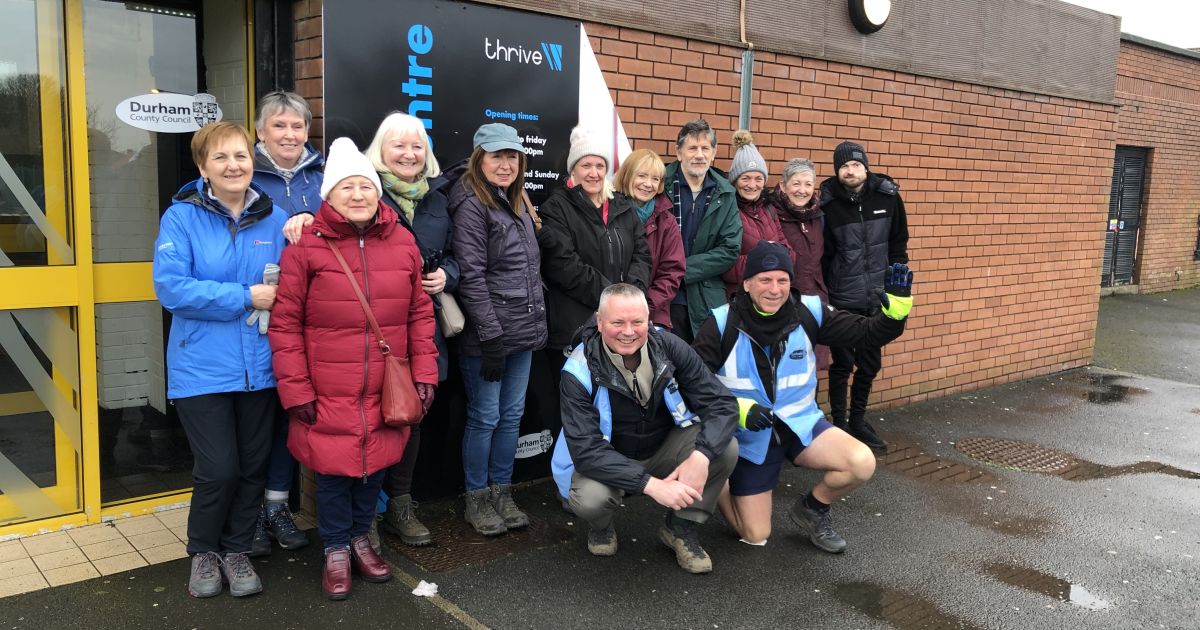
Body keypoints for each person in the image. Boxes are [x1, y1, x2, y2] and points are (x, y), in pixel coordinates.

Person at [269, 137, 438, 600]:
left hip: (386, 385)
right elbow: (285, 324)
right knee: (333, 472)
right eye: (347, 187)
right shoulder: (306, 246)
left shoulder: (402, 241)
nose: (358, 195)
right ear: (330, 195)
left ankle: (361, 538)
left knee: (374, 467)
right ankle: (336, 549)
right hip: (327, 385)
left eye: (365, 186)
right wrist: (296, 390)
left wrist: (424, 374)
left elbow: (419, 314)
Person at [692, 241, 912, 553]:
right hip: (750, 437)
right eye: (765, 280)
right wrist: (737, 408)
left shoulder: (809, 312)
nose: (775, 289)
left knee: (861, 462)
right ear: (747, 283)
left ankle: (813, 508)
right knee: (754, 535)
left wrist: (895, 314)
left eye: (782, 280)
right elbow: (694, 382)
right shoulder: (721, 322)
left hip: (800, 426)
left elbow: (866, 333)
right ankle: (720, 482)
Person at [153, 121, 288, 598]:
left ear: (253, 161)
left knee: (252, 468)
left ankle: (237, 550)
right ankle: (204, 552)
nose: (233, 165)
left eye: (241, 156)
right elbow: (172, 288)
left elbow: (298, 280)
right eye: (221, 157)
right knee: (219, 469)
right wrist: (245, 296)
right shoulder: (181, 218)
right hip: (201, 368)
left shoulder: (276, 219)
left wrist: (306, 227)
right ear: (202, 167)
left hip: (260, 366)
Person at [551, 283, 740, 574]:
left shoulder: (670, 346)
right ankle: (601, 526)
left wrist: (701, 456)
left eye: (637, 322)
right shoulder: (577, 368)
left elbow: (722, 405)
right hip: (607, 457)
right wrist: (653, 486)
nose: (628, 332)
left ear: (648, 320)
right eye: (617, 323)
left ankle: (680, 527)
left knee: (724, 448)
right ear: (600, 322)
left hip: (662, 447)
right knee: (591, 499)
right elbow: (587, 452)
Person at [363, 112, 459, 547]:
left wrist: (448, 275)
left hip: (422, 329)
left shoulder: (437, 197)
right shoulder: (365, 190)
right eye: (398, 145)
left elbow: (455, 253)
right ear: (381, 149)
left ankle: (400, 505)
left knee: (411, 417)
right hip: (373, 328)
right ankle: (365, 513)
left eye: (417, 146)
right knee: (368, 421)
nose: (408, 154)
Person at [449, 123, 547, 536]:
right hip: (489, 336)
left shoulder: (517, 199)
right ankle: (477, 497)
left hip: (522, 330)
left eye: (512, 157)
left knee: (511, 416)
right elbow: (471, 276)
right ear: (479, 158)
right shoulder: (471, 203)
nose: (505, 164)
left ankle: (501, 491)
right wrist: (490, 337)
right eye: (497, 156)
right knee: (486, 417)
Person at [248, 90, 319, 558]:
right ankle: (249, 512)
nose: (289, 134)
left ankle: (277, 507)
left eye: (297, 126)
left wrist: (315, 216)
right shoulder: (244, 174)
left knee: (286, 418)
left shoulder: (325, 175)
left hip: (313, 318)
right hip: (257, 317)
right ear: (260, 131)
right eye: (279, 125)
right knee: (256, 422)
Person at [820, 141, 910, 450]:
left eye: (855, 165)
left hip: (877, 298)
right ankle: (840, 425)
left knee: (870, 365)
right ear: (837, 170)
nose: (850, 171)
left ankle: (858, 420)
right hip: (842, 298)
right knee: (842, 364)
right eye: (844, 166)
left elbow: (898, 242)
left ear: (865, 167)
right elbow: (824, 255)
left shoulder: (888, 196)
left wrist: (895, 286)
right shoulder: (828, 204)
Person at [538, 125, 651, 354]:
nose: (594, 173)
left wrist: (629, 296)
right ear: (573, 169)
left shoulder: (622, 207)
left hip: (620, 325)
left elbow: (642, 255)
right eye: (586, 165)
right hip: (576, 326)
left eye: (600, 166)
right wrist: (613, 299)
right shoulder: (557, 207)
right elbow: (563, 265)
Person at [663, 120, 742, 342]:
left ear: (713, 153)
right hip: (665, 297)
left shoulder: (726, 194)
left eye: (705, 148)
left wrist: (680, 270)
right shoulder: (659, 185)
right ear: (679, 153)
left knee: (704, 361)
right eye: (692, 148)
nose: (699, 155)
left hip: (708, 298)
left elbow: (730, 249)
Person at [612, 148, 686, 331]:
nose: (648, 184)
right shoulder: (609, 211)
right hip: (610, 311)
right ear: (627, 175)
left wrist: (643, 307)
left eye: (655, 179)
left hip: (652, 315)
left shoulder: (667, 221)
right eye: (642, 176)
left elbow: (671, 272)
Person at [768, 158, 830, 369]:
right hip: (782, 303)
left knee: (810, 366)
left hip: (814, 301)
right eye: (796, 183)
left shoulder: (818, 216)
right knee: (782, 366)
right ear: (783, 185)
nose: (802, 190)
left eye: (808, 184)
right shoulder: (772, 213)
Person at [720, 130, 795, 297]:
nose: (752, 185)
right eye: (745, 178)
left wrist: (769, 256)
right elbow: (724, 265)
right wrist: (768, 256)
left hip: (771, 296)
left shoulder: (769, 209)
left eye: (758, 178)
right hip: (739, 297)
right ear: (735, 181)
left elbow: (791, 255)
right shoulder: (726, 211)